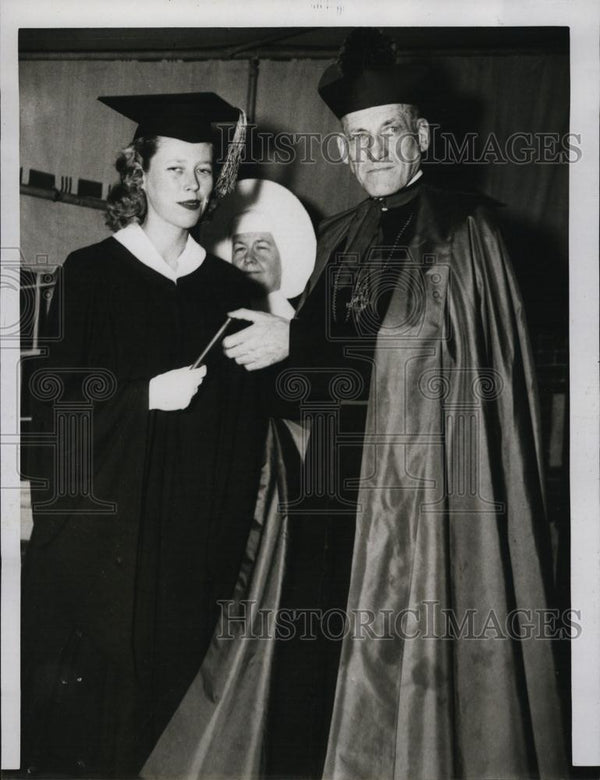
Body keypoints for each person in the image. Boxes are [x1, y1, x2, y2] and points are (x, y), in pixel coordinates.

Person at [216, 28, 568, 780]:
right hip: (327, 501)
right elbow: (302, 384)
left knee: (398, 682)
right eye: (356, 140)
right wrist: (257, 360)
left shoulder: (469, 237)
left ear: (424, 137)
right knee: (306, 682)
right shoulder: (337, 238)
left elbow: (453, 383)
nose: (372, 153)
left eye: (388, 133)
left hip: (419, 504)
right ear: (342, 151)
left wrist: (298, 346)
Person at [20, 91, 268, 777]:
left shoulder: (227, 291)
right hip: (106, 542)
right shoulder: (92, 274)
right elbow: (51, 404)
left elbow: (247, 427)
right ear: (141, 174)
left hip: (190, 544)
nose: (192, 185)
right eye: (174, 169)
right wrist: (140, 399)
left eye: (204, 171)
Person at [199, 177, 316, 319]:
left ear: (284, 258)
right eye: (240, 249)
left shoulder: (301, 326)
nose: (249, 259)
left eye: (261, 247)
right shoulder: (211, 317)